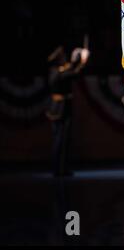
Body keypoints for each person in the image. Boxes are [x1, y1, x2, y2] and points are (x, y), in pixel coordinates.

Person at [46, 45, 89, 177]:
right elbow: (72, 73)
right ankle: (57, 169)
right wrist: (82, 62)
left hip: (64, 107)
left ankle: (62, 168)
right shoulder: (55, 72)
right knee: (59, 139)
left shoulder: (60, 70)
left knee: (64, 140)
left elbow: (70, 71)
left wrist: (78, 60)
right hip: (59, 108)